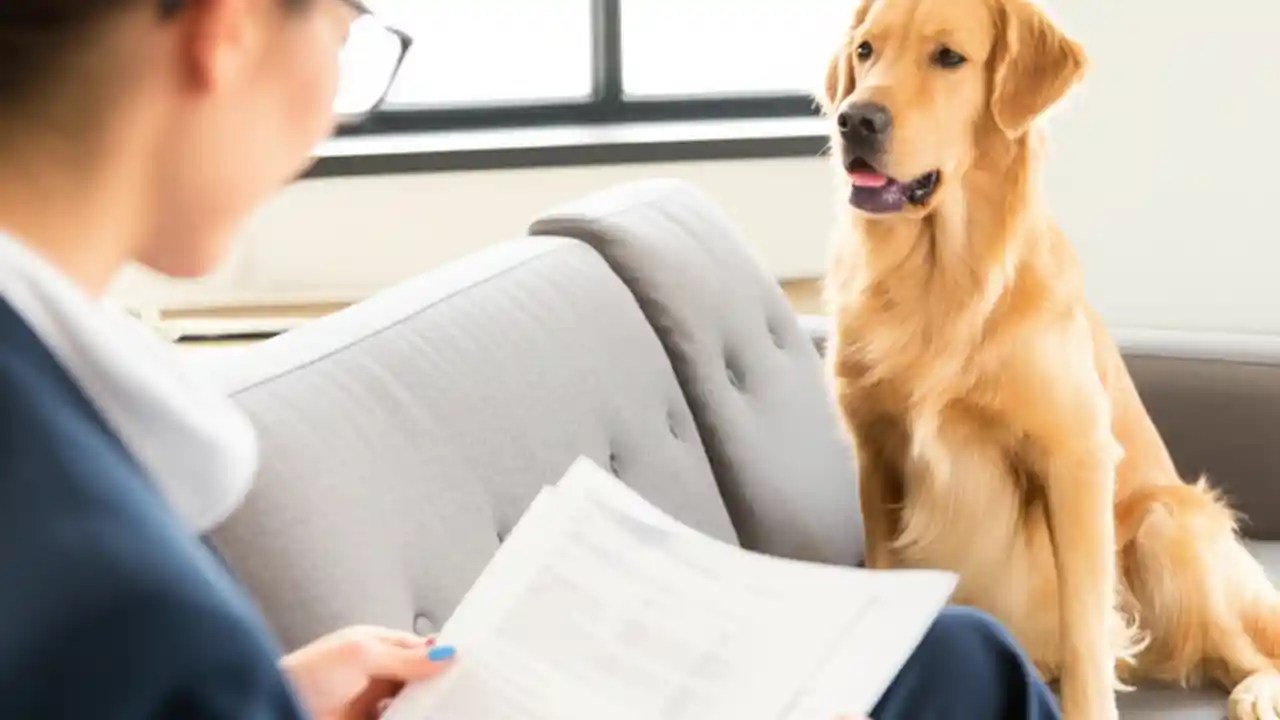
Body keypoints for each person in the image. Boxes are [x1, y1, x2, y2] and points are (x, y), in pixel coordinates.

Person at [0, 1, 1062, 718]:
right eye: (345, 33)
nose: (329, 113)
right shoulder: (123, 612)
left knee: (951, 660)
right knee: (966, 675)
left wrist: (273, 696)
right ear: (224, 31)